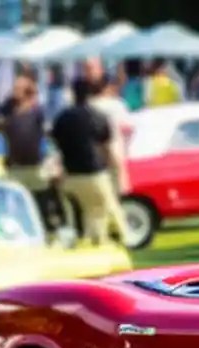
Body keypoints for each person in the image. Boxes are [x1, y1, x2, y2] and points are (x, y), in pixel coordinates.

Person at [51, 78, 120, 245]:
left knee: (84, 212)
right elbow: (106, 144)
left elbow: (57, 145)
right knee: (105, 208)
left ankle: (88, 239)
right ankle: (114, 239)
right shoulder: (97, 115)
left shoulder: (62, 118)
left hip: (72, 174)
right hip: (94, 172)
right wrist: (114, 168)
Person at [0, 75, 58, 238]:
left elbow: (46, 132)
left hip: (34, 166)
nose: (14, 91)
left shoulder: (37, 111)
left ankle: (46, 233)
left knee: (40, 203)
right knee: (15, 207)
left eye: (18, 88)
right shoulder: (8, 109)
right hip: (15, 166)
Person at [90, 76, 133, 242]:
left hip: (95, 154)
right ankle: (120, 228)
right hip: (115, 149)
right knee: (116, 193)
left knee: (100, 195)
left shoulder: (90, 105)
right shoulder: (117, 104)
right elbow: (128, 128)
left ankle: (105, 228)